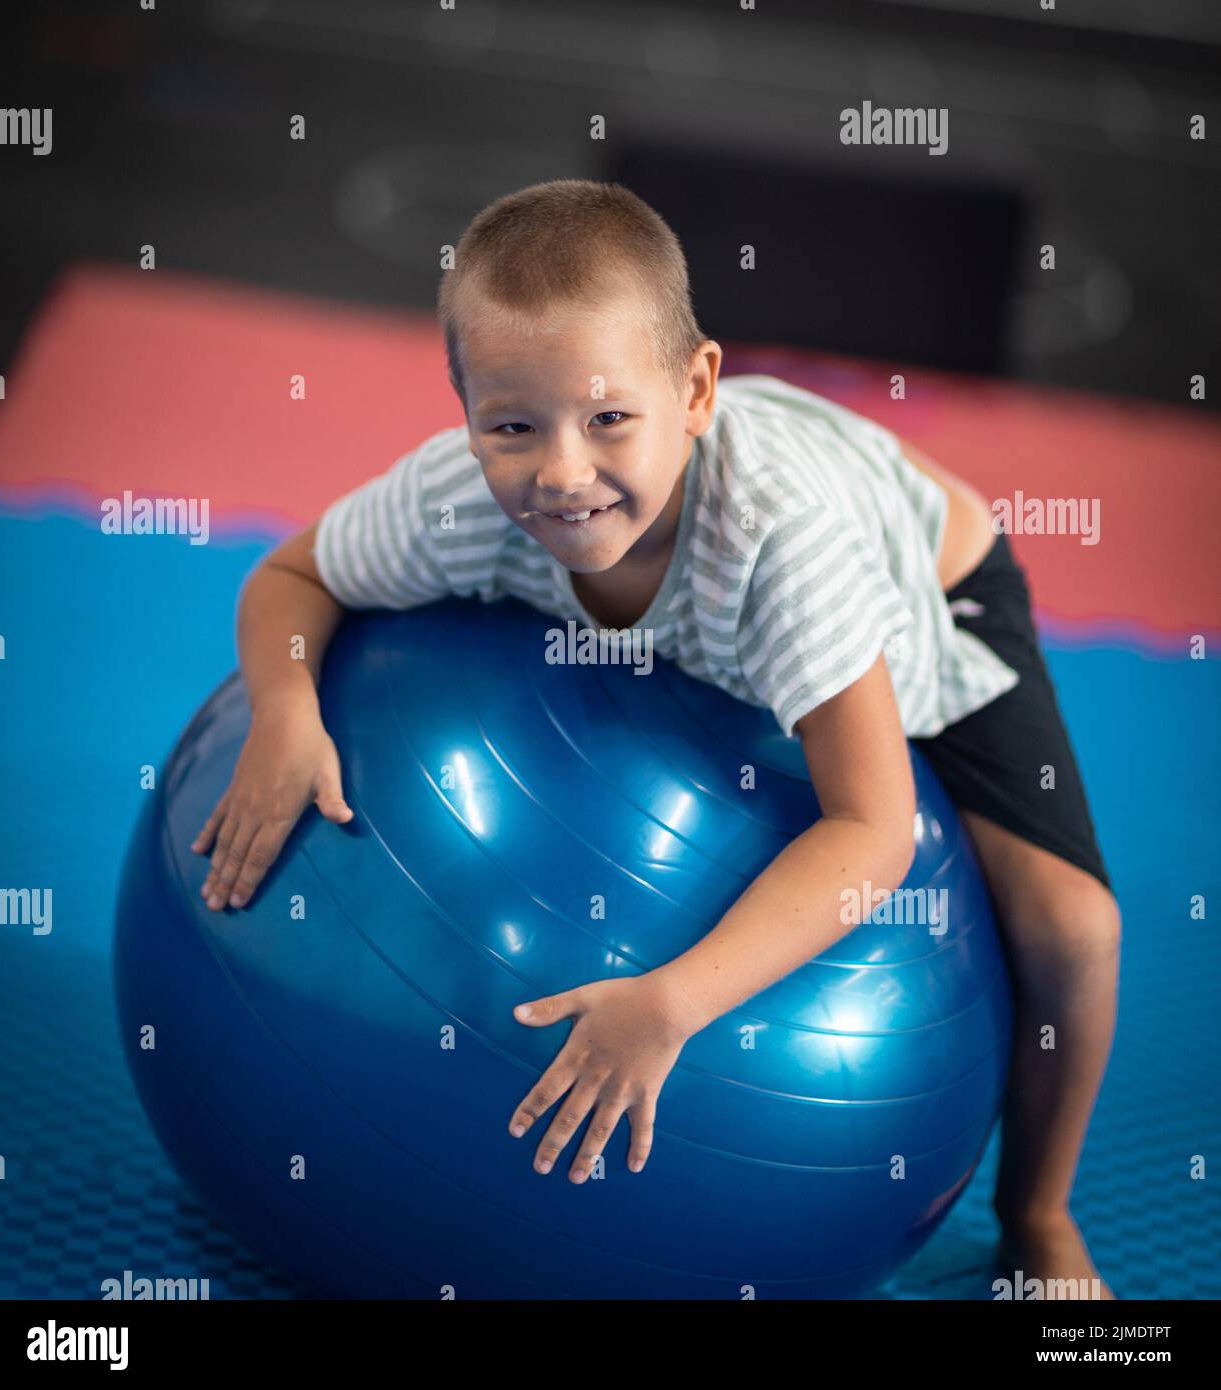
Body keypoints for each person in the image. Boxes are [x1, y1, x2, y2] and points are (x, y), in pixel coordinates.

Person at [192, 179, 1119, 1298]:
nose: (562, 474)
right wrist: (285, 715)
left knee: (1074, 928)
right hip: (742, 587)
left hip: (927, 575)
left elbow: (871, 828)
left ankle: (1036, 1210)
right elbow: (291, 573)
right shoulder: (457, 498)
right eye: (511, 426)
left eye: (608, 419)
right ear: (463, 413)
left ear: (693, 391)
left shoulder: (784, 549)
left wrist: (670, 999)